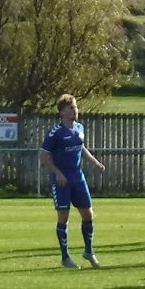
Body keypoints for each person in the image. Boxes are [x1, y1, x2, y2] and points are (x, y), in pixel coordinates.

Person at [39, 93, 106, 270]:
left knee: (88, 214)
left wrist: (95, 163)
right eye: (71, 108)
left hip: (78, 177)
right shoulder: (56, 133)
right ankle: (65, 257)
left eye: (75, 107)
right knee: (63, 216)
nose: (75, 110)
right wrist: (58, 174)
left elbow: (81, 148)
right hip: (62, 180)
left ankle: (89, 251)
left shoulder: (80, 128)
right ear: (62, 112)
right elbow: (43, 156)